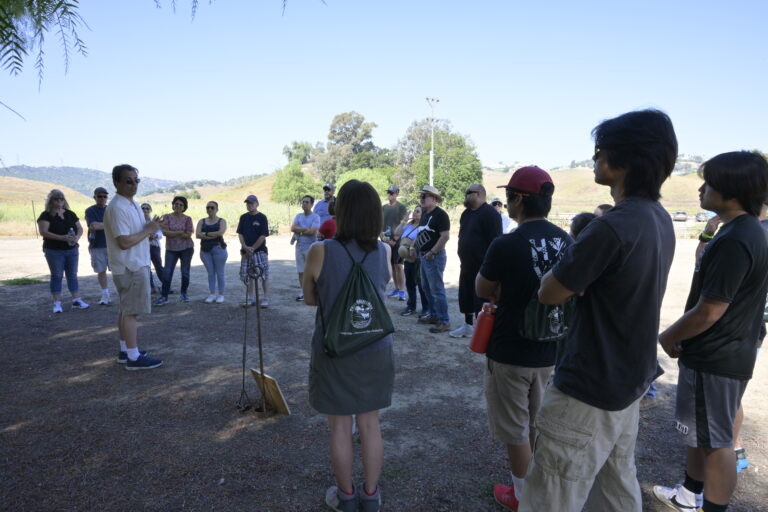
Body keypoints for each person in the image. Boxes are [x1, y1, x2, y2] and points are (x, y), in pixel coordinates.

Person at [521, 109, 679, 511]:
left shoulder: (609, 227)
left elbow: (550, 293)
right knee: (614, 490)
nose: (593, 161)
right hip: (625, 382)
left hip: (588, 386)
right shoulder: (658, 218)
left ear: (622, 161)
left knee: (552, 495)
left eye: (599, 152)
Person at [653, 151, 768, 512]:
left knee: (717, 442)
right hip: (729, 350)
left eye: (709, 182)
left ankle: (709, 506)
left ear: (732, 190)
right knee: (704, 434)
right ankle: (688, 495)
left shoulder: (736, 239)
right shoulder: (745, 230)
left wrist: (670, 336)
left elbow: (711, 309)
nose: (701, 188)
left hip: (716, 355)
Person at [476, 166, 573, 510]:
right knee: (538, 423)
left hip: (510, 349)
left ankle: (522, 496)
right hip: (552, 349)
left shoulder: (506, 243)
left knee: (516, 429)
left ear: (518, 199)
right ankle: (539, 490)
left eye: (509, 196)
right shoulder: (567, 240)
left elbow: (482, 288)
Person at [303, 179, 394, 512]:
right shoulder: (384, 251)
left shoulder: (320, 251)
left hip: (334, 349)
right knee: (370, 424)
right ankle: (371, 496)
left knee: (340, 425)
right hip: (376, 348)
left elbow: (311, 300)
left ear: (338, 211)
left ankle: (345, 495)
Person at [103, 164, 163, 370]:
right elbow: (124, 242)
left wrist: (149, 229)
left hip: (132, 264)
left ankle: (125, 350)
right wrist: (149, 229)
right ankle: (133, 357)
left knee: (125, 310)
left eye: (136, 180)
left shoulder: (131, 204)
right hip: (130, 267)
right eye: (128, 181)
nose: (134, 184)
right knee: (131, 313)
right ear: (117, 182)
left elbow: (136, 233)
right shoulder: (118, 207)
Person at [451, 184, 502, 338]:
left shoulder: (490, 214)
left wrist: (490, 266)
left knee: (481, 298)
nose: (465, 196)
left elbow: (496, 242)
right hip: (466, 264)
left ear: (480, 194)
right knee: (466, 295)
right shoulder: (466, 214)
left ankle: (482, 331)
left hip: (482, 266)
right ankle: (467, 326)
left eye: (468, 193)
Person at [37, 189, 89, 313]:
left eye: (61, 198)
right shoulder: (46, 215)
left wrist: (76, 237)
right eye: (56, 198)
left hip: (72, 249)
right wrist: (62, 238)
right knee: (57, 276)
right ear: (50, 201)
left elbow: (80, 228)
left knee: (72, 275)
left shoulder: (70, 214)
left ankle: (76, 301)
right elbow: (43, 232)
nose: (59, 201)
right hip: (54, 250)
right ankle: (57, 304)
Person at [414, 185, 451, 333]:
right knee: (427, 287)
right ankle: (435, 315)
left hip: (434, 256)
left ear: (434, 199)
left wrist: (432, 251)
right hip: (424, 256)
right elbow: (420, 232)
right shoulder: (424, 214)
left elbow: (445, 236)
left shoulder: (440, 215)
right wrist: (414, 248)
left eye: (425, 196)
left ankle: (444, 320)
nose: (421, 199)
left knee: (436, 289)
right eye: (421, 196)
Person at [155, 196, 194, 305]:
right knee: (167, 273)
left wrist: (174, 233)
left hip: (187, 248)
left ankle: (184, 294)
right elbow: (165, 232)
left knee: (185, 272)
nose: (178, 206)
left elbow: (188, 234)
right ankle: (164, 296)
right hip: (171, 249)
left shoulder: (188, 219)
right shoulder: (167, 217)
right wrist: (180, 232)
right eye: (176, 204)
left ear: (184, 207)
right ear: (173, 205)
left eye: (181, 205)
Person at [394, 205, 429, 317]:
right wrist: (404, 220)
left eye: (418, 211)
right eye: (414, 211)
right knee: (409, 283)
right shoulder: (409, 225)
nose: (415, 213)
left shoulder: (423, 227)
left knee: (420, 284)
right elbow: (397, 232)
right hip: (408, 259)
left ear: (423, 214)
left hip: (417, 258)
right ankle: (411, 306)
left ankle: (426, 309)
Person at [237, 195, 270, 308]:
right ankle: (251, 298)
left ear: (257, 204)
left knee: (263, 275)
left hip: (259, 251)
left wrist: (253, 248)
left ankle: (265, 298)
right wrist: (245, 246)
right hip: (245, 252)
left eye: (251, 203)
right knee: (247, 275)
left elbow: (263, 235)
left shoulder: (262, 217)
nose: (249, 205)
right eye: (247, 203)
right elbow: (240, 233)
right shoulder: (243, 217)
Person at [196, 201, 228, 304]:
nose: (210, 209)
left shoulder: (222, 221)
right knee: (210, 273)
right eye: (208, 207)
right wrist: (212, 235)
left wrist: (205, 234)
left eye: (212, 208)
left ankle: (221, 294)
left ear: (217, 209)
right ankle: (212, 294)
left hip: (218, 249)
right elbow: (197, 234)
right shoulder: (202, 221)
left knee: (220, 273)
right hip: (205, 251)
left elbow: (220, 233)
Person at [84, 187, 111, 305]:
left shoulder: (111, 210)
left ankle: (122, 294)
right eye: (100, 196)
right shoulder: (90, 210)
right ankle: (105, 294)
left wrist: (102, 225)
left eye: (105, 196)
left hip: (112, 245)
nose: (103, 198)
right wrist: (110, 225)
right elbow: (93, 226)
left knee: (118, 270)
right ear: (94, 197)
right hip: (97, 245)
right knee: (101, 270)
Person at [291, 195, 321, 302]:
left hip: (311, 248)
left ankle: (314, 292)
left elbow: (312, 231)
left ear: (312, 204)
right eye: (303, 202)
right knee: (300, 271)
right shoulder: (298, 216)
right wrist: (304, 229)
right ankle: (303, 292)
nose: (304, 204)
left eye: (307, 202)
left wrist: (299, 230)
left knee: (312, 271)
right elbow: (292, 228)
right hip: (299, 247)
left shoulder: (316, 217)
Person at [382, 184, 408, 301]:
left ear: (397, 194)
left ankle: (402, 290)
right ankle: (396, 288)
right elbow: (380, 225)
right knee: (391, 265)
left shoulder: (401, 207)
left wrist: (395, 239)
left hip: (397, 241)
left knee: (398, 266)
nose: (389, 195)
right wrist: (383, 238)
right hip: (386, 241)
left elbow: (403, 225)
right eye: (388, 192)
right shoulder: (384, 208)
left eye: (392, 193)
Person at [141, 203, 164, 294]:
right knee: (146, 267)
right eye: (143, 208)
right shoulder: (138, 222)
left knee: (158, 266)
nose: (145, 210)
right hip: (143, 247)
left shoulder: (154, 221)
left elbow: (160, 234)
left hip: (154, 246)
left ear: (150, 210)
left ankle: (166, 285)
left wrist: (155, 235)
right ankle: (152, 286)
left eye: (147, 208)